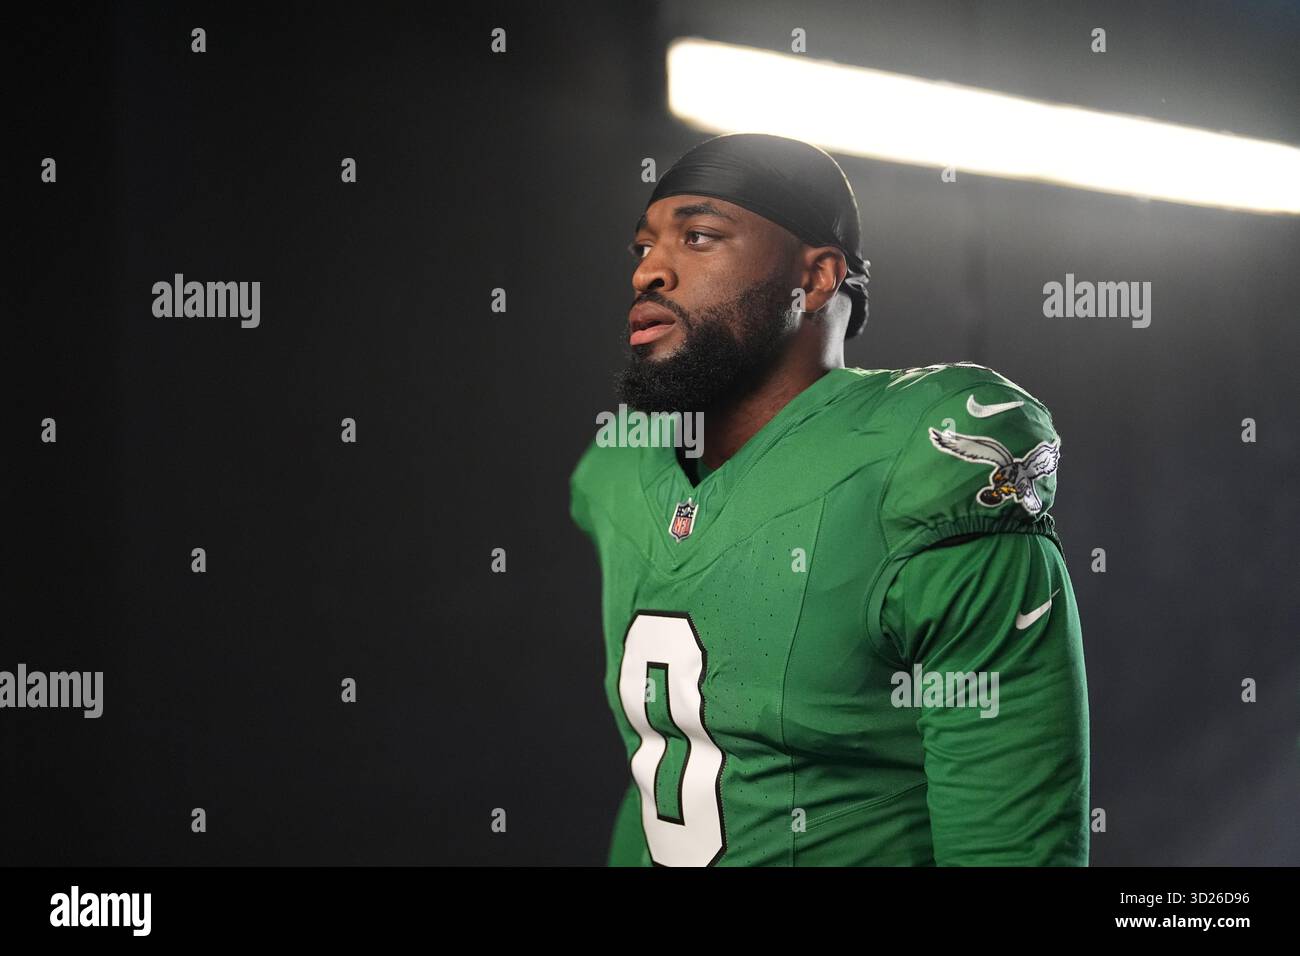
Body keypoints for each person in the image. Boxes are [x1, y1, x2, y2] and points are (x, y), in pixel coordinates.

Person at [569, 133, 1089, 866]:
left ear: (815, 280)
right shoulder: (621, 471)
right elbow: (669, 776)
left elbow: (1012, 846)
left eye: (699, 236)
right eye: (643, 248)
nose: (650, 271)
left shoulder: (921, 458)